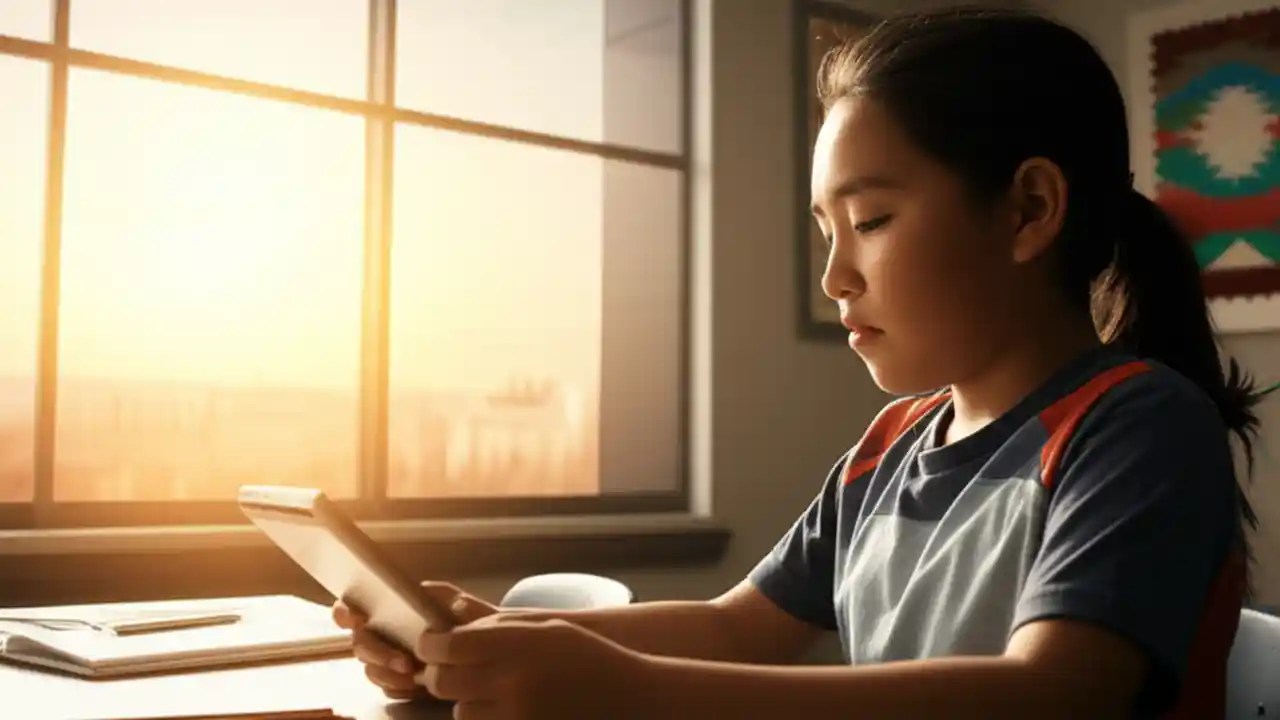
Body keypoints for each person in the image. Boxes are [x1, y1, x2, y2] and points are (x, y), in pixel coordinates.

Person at [334, 6, 1264, 719]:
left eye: (871, 222)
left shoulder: (1137, 424)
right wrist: (503, 634)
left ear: (1028, 210)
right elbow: (739, 624)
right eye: (826, 230)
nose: (836, 274)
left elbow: (1053, 695)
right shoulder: (890, 444)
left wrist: (633, 692)